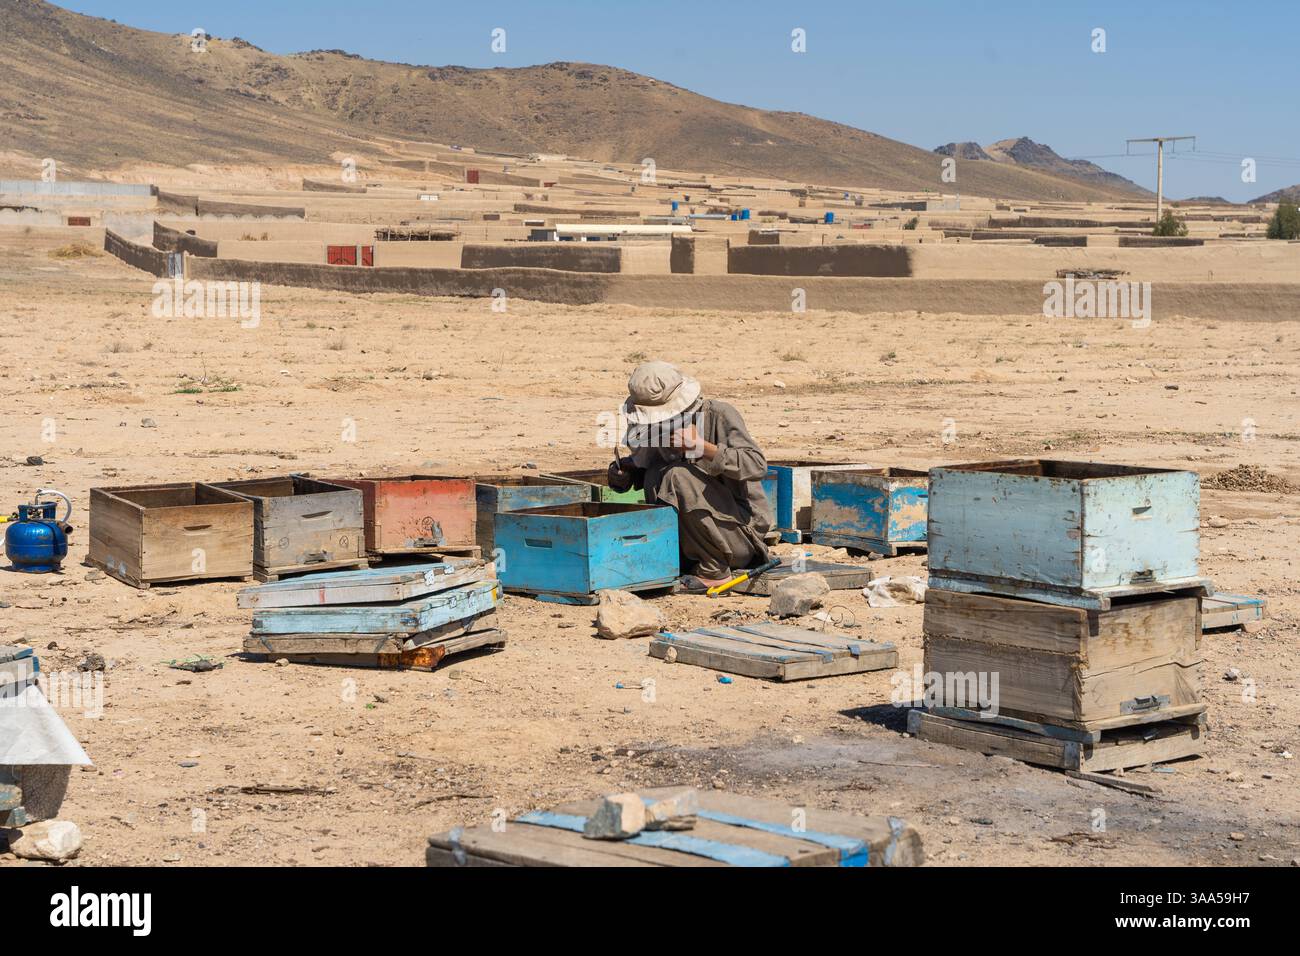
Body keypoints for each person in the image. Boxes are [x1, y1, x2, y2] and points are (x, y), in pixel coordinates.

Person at [608, 361, 772, 589]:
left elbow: (756, 465)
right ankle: (675, 557)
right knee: (658, 473)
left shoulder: (719, 414)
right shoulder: (655, 427)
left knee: (676, 476)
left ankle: (714, 571)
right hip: (688, 544)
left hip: (738, 538)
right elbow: (650, 473)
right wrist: (625, 474)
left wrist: (703, 447)